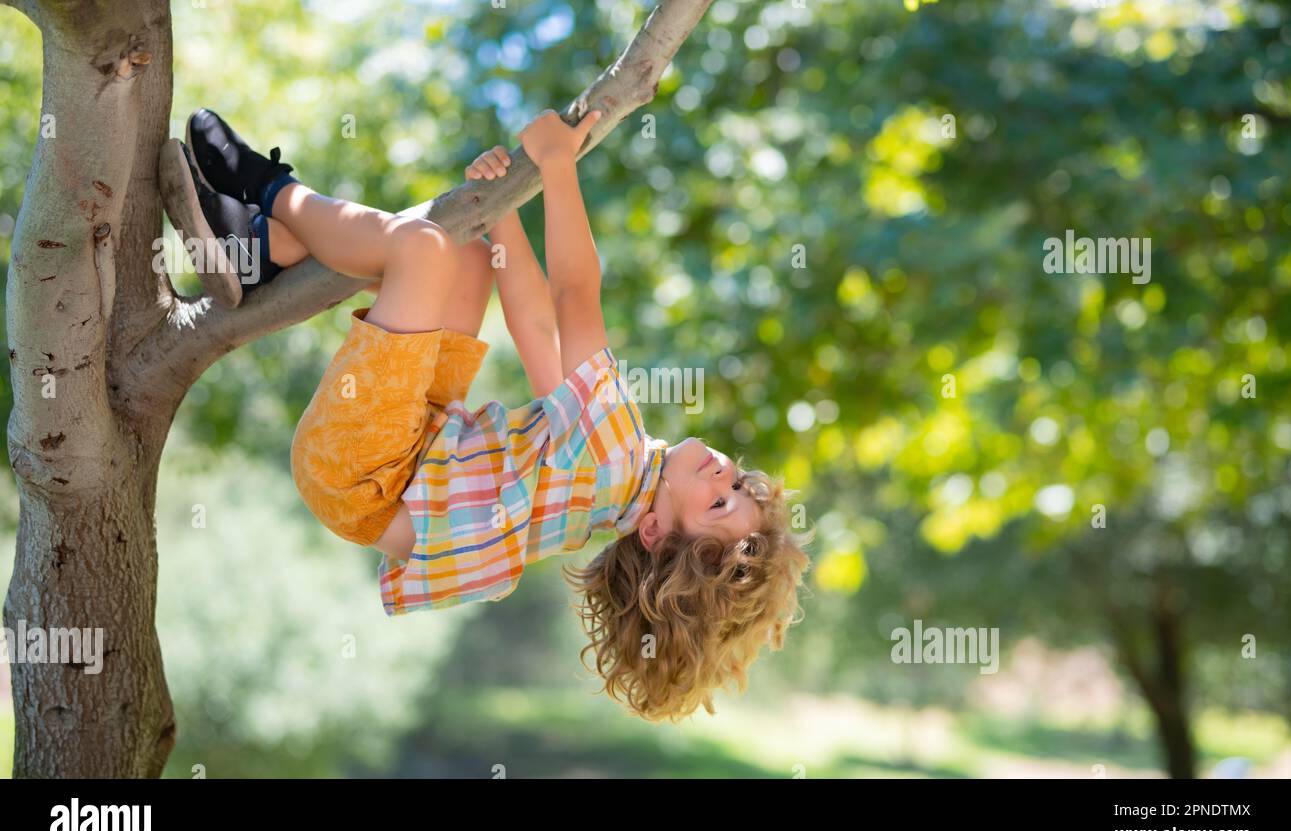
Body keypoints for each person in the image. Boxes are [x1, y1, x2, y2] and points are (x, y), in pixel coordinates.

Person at [167, 107, 812, 722]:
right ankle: (263, 252)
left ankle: (266, 187)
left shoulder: (618, 455)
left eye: (717, 502)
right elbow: (534, 329)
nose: (724, 473)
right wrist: (500, 215)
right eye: (739, 486)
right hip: (402, 454)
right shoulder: (607, 489)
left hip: (363, 469)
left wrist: (558, 166)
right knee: (468, 255)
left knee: (422, 250)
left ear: (652, 532)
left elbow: (573, 295)